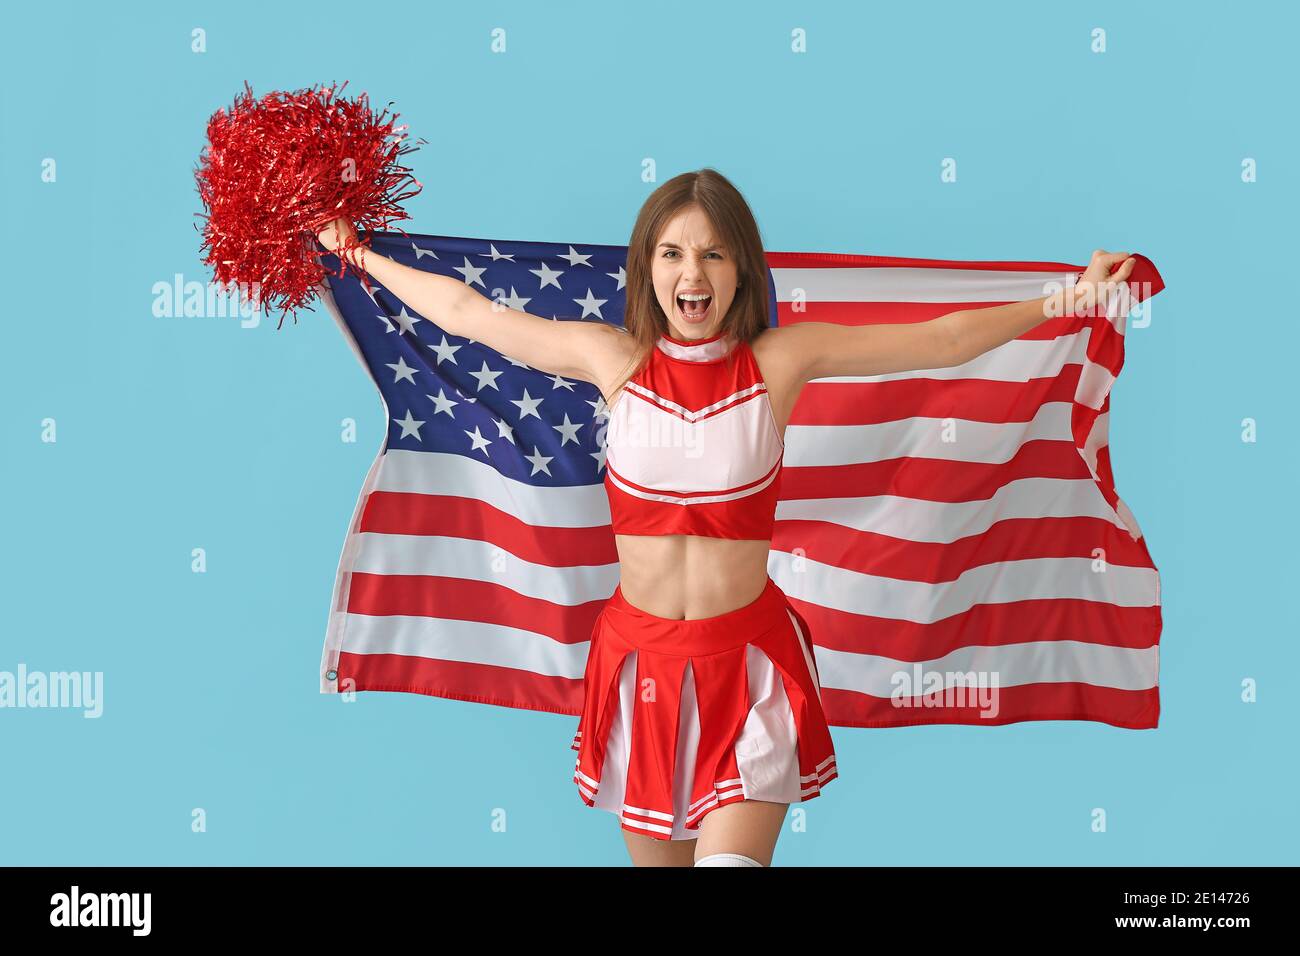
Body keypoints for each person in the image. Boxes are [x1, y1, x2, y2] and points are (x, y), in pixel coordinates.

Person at [316, 168, 1136, 867]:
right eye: (672, 252)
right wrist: (356, 253)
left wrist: (1072, 296)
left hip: (748, 671)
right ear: (648, 269)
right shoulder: (614, 360)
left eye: (712, 252)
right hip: (641, 671)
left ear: (742, 268)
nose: (692, 271)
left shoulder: (780, 362)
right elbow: (469, 315)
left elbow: (943, 340)